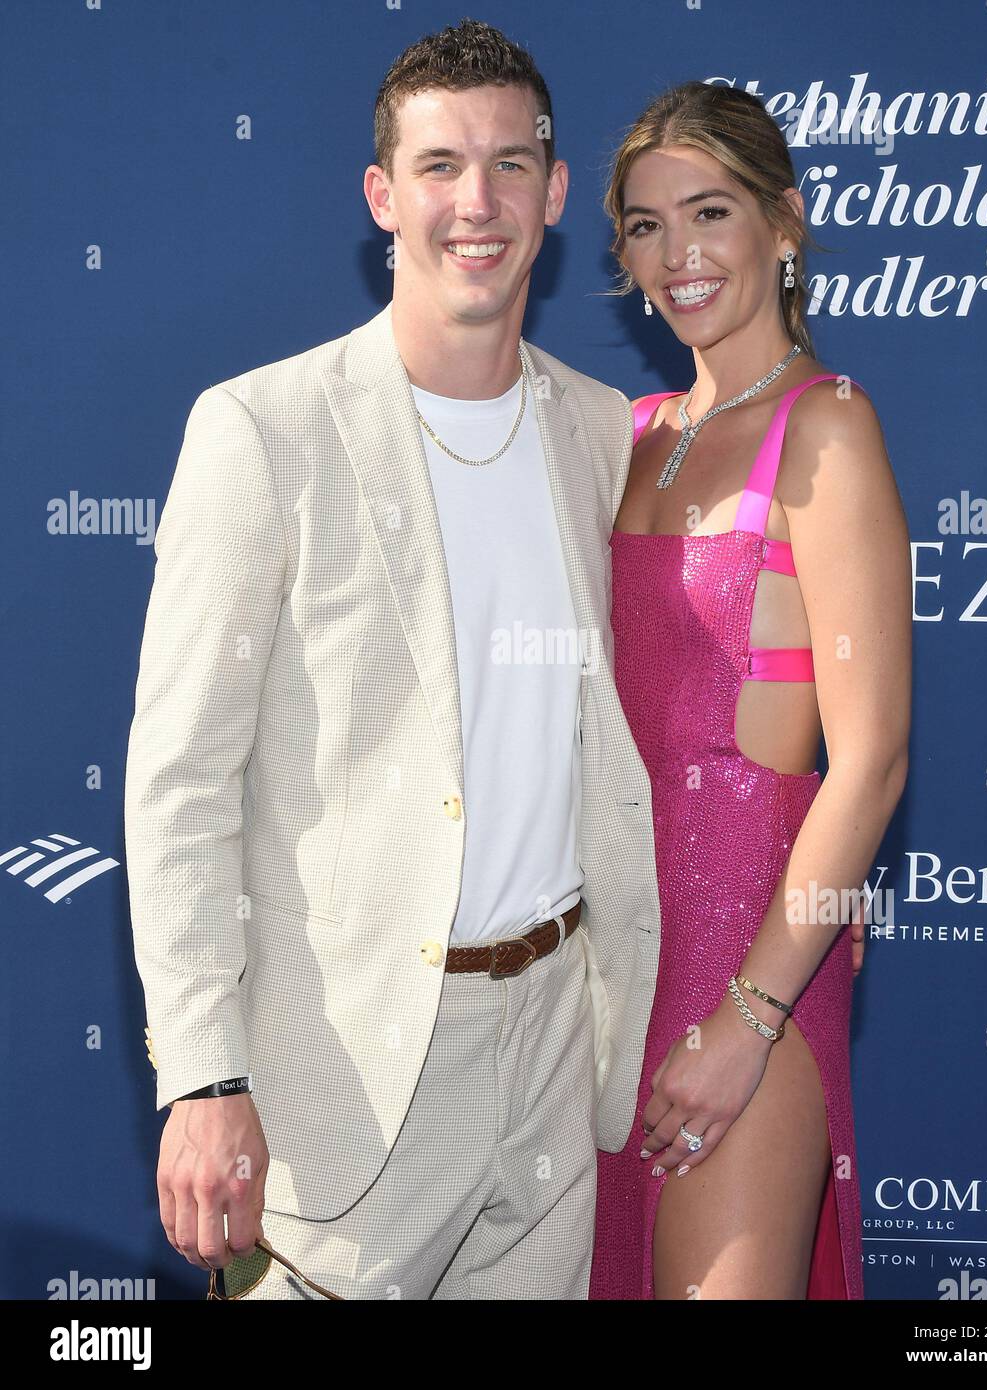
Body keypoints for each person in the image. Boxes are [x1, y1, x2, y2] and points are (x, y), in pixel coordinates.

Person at [124, 19, 662, 1300]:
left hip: (552, 1059)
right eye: (437, 167)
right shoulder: (264, 430)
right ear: (382, 196)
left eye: (509, 163)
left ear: (555, 191)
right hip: (350, 1081)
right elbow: (181, 779)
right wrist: (203, 1075)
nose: (475, 203)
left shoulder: (597, 432)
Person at [589, 81, 911, 1300]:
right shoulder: (623, 431)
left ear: (782, 224)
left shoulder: (825, 427)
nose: (677, 256)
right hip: (604, 966)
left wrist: (751, 1016)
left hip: (750, 956)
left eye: (708, 213)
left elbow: (868, 761)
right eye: (642, 225)